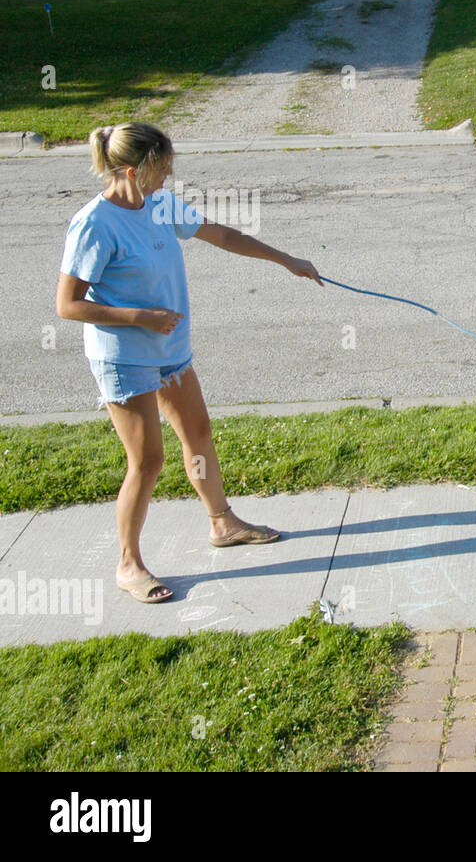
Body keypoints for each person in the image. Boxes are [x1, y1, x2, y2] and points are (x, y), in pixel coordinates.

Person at [56, 122, 322, 603]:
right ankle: (128, 563)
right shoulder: (95, 223)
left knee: (198, 434)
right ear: (134, 171)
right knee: (148, 460)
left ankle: (222, 523)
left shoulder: (157, 204)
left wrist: (288, 260)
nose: (168, 178)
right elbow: (68, 305)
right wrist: (140, 317)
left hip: (169, 351)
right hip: (124, 356)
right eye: (162, 170)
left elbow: (220, 235)